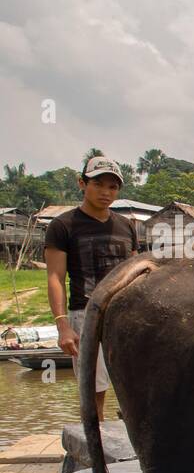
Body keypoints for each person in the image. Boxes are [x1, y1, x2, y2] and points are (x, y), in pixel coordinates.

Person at [44, 156, 139, 421]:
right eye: (99, 184)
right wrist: (63, 325)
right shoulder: (63, 226)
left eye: (113, 187)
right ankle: (94, 450)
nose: (106, 193)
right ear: (82, 183)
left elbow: (133, 272)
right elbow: (55, 276)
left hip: (124, 314)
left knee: (132, 386)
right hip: (85, 315)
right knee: (93, 390)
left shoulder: (126, 226)